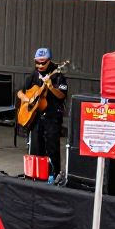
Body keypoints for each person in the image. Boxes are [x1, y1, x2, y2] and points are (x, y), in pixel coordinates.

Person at [17, 47, 67, 176]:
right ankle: (38, 175)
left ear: (49, 61)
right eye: (37, 62)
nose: (40, 65)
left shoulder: (58, 75)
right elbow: (20, 92)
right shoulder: (34, 74)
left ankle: (54, 175)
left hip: (52, 117)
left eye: (43, 62)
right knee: (36, 147)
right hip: (36, 117)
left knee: (52, 148)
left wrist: (50, 86)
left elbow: (62, 95)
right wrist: (28, 100)